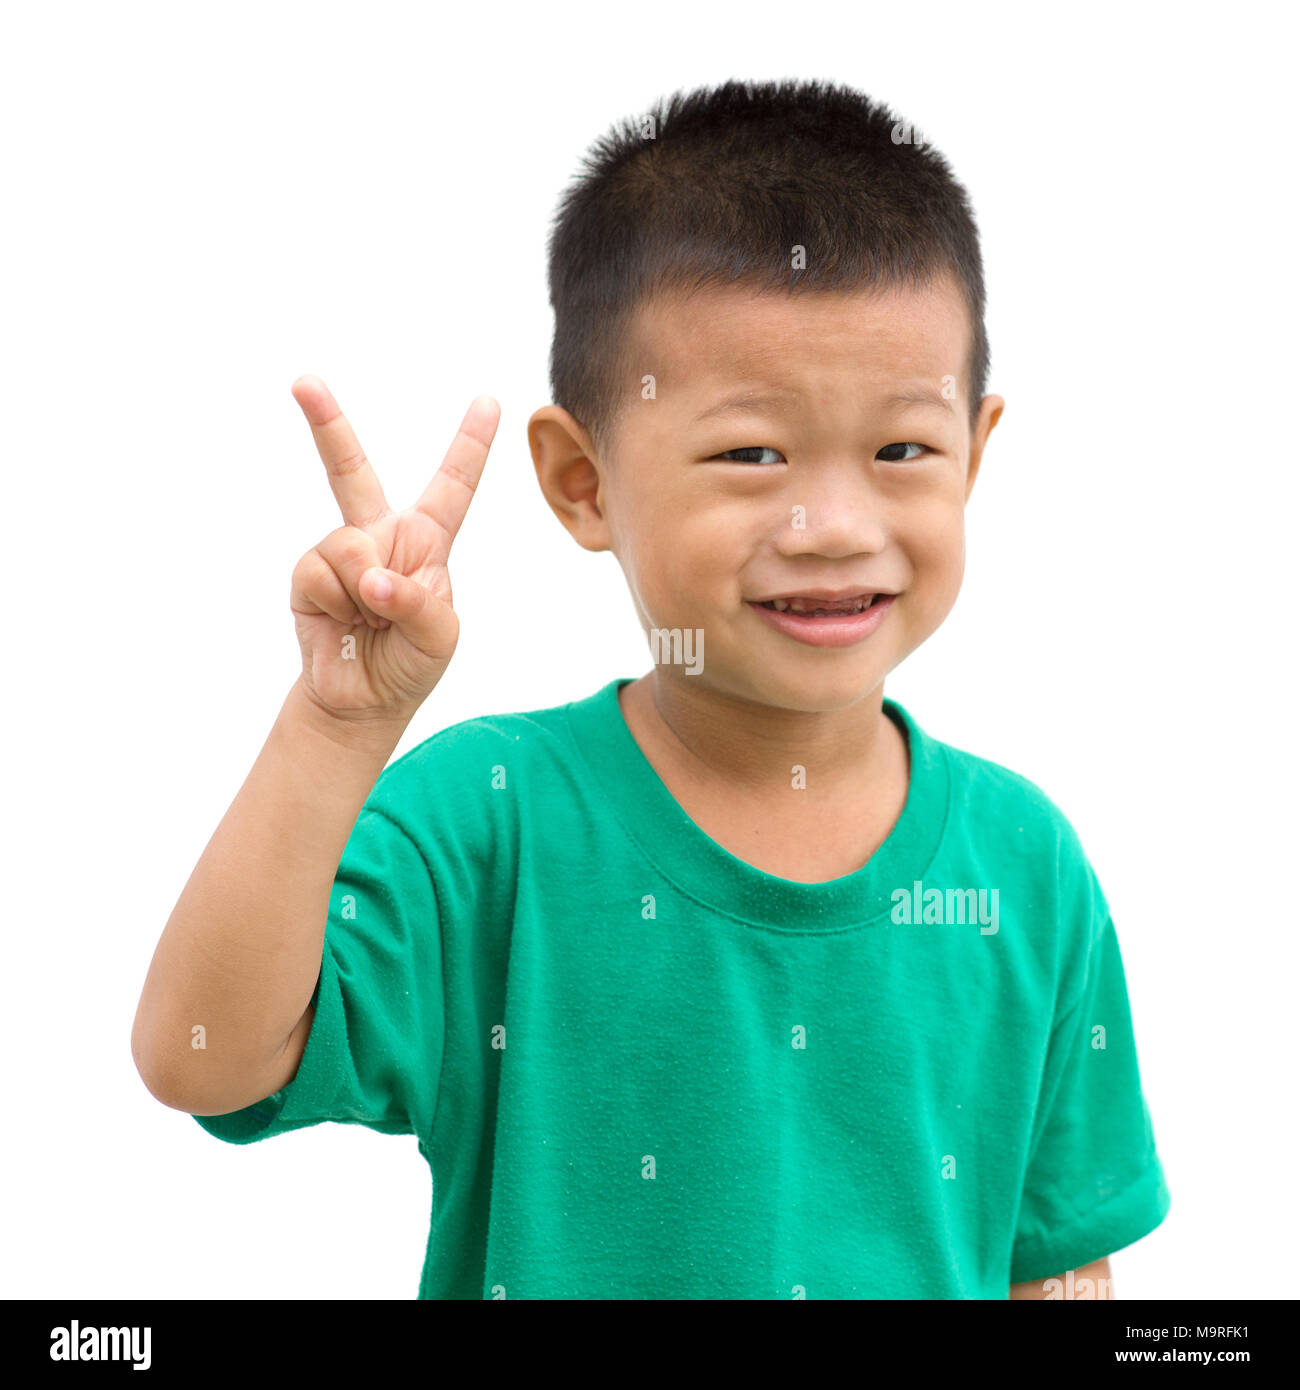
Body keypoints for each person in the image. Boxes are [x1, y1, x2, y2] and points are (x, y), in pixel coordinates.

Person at [132, 78, 1170, 1300]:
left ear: (975, 456)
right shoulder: (496, 816)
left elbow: (1057, 1270)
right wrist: (335, 724)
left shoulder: (1024, 863)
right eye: (751, 453)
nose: (831, 524)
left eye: (900, 449)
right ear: (583, 483)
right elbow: (204, 1059)